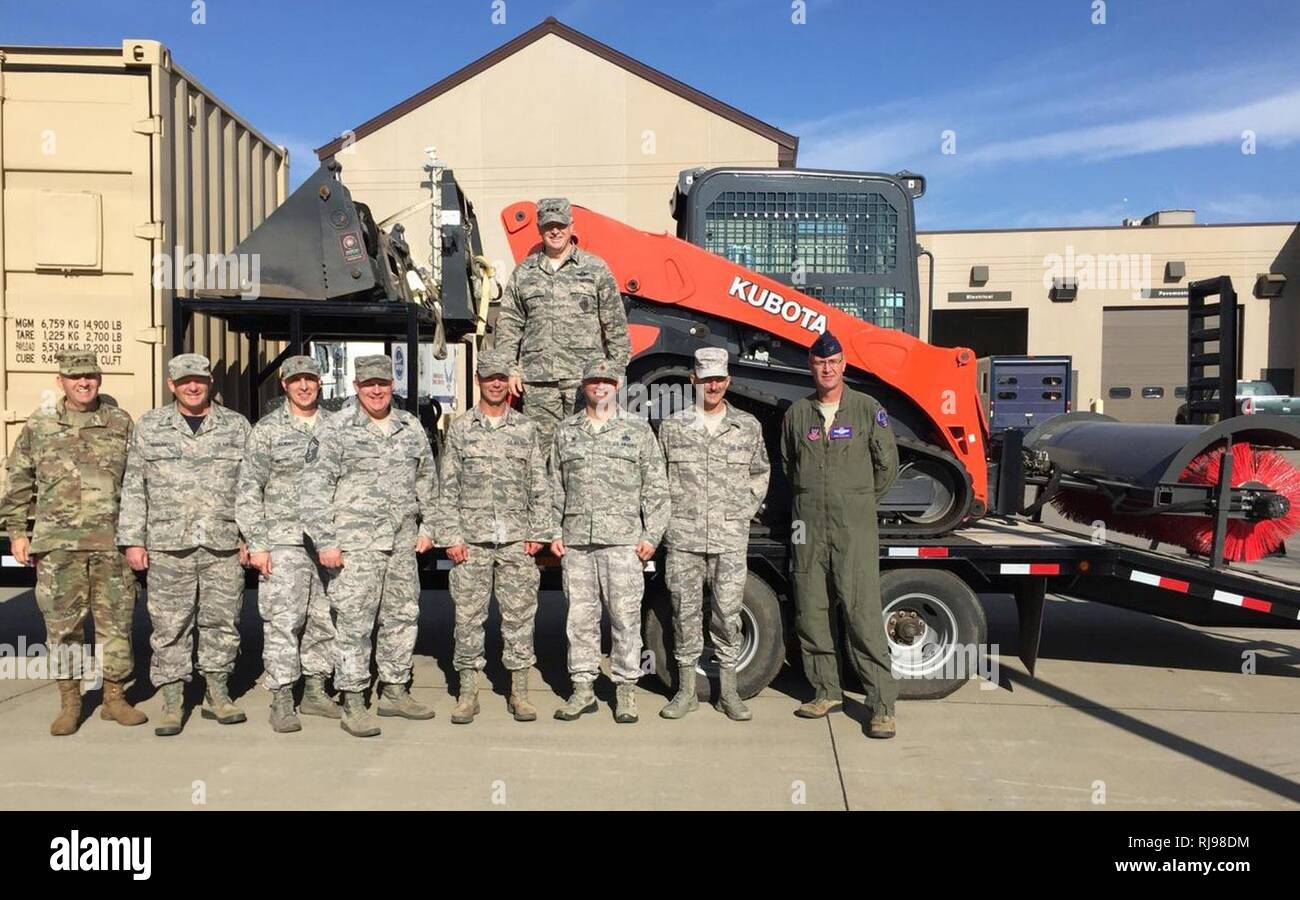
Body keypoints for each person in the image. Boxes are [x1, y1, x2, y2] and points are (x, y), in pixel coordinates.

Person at [0, 350, 145, 734]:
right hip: (57, 546)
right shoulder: (41, 424)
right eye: (76, 377)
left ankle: (115, 698)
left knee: (117, 623)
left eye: (91, 376)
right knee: (64, 627)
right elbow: (18, 479)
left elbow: (138, 483)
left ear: (100, 379)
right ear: (60, 381)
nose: (85, 383)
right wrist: (17, 532)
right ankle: (71, 701)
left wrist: (137, 536)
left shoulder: (119, 423)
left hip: (111, 544)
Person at [301, 354, 438, 738]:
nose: (376, 390)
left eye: (382, 383)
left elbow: (428, 480)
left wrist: (430, 527)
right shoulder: (336, 429)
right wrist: (325, 542)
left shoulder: (409, 427)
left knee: (402, 616)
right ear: (356, 388)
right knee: (354, 624)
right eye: (368, 384)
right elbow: (313, 491)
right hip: (355, 548)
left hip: (401, 544)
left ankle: (394, 690)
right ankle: (354, 698)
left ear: (392, 386)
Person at [116, 353, 252, 737]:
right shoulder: (151, 426)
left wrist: (249, 537)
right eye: (185, 380)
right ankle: (173, 699)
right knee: (170, 624)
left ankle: (217, 693)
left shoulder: (236, 426)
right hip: (167, 543)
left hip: (221, 543)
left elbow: (250, 487)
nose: (194, 386)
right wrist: (132, 541)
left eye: (201, 380)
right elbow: (134, 487)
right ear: (172, 385)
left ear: (210, 383)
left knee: (222, 622)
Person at [780, 332, 900, 738]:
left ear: (844, 365)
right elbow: (788, 465)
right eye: (819, 363)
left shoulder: (867, 409)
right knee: (811, 611)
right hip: (808, 525)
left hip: (854, 528)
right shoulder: (797, 414)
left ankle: (881, 704)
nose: (826, 369)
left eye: (833, 362)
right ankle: (826, 689)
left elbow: (887, 466)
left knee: (862, 613)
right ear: (811, 366)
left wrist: (858, 501)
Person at [549, 358, 669, 724]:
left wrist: (652, 535)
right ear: (583, 387)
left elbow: (657, 488)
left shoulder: (637, 431)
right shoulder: (566, 432)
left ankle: (625, 690)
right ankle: (583, 688)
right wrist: (553, 531)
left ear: (617, 387)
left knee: (624, 619)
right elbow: (553, 486)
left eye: (607, 381)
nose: (600, 387)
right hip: (577, 544)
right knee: (580, 620)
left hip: (622, 543)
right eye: (593, 381)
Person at [434, 348, 551, 724]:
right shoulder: (461, 429)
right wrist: (450, 536)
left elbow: (540, 485)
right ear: (478, 382)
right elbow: (446, 487)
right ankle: (468, 693)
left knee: (519, 618)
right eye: (490, 377)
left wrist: (539, 531)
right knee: (468, 619)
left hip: (518, 540)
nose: (497, 383)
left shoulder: (526, 429)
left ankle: (520, 693)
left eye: (502, 377)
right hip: (472, 540)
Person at [657, 347, 770, 721]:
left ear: (728, 381)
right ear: (693, 381)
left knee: (727, 615)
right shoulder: (673, 428)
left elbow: (759, 473)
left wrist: (742, 513)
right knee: (684, 614)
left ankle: (730, 693)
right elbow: (657, 482)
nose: (713, 386)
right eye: (706, 379)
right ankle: (686, 691)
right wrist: (667, 521)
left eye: (719, 379)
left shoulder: (747, 427)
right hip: (685, 539)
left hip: (728, 540)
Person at [235, 355, 339, 733]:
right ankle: (281, 696)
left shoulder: (337, 427)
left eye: (310, 379)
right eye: (297, 380)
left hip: (328, 541)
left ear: (320, 383)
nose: (304, 386)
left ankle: (315, 689)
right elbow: (248, 489)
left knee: (324, 619)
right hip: (283, 541)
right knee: (283, 621)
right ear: (285, 385)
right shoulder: (266, 431)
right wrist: (257, 543)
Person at [494, 197, 630, 447]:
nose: (555, 231)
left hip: (585, 380)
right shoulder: (524, 273)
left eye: (560, 225)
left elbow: (614, 322)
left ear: (571, 226)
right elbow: (509, 324)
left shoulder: (595, 269)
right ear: (539, 229)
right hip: (538, 382)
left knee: (586, 448)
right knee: (543, 451)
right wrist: (509, 368)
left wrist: (617, 369)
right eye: (548, 226)